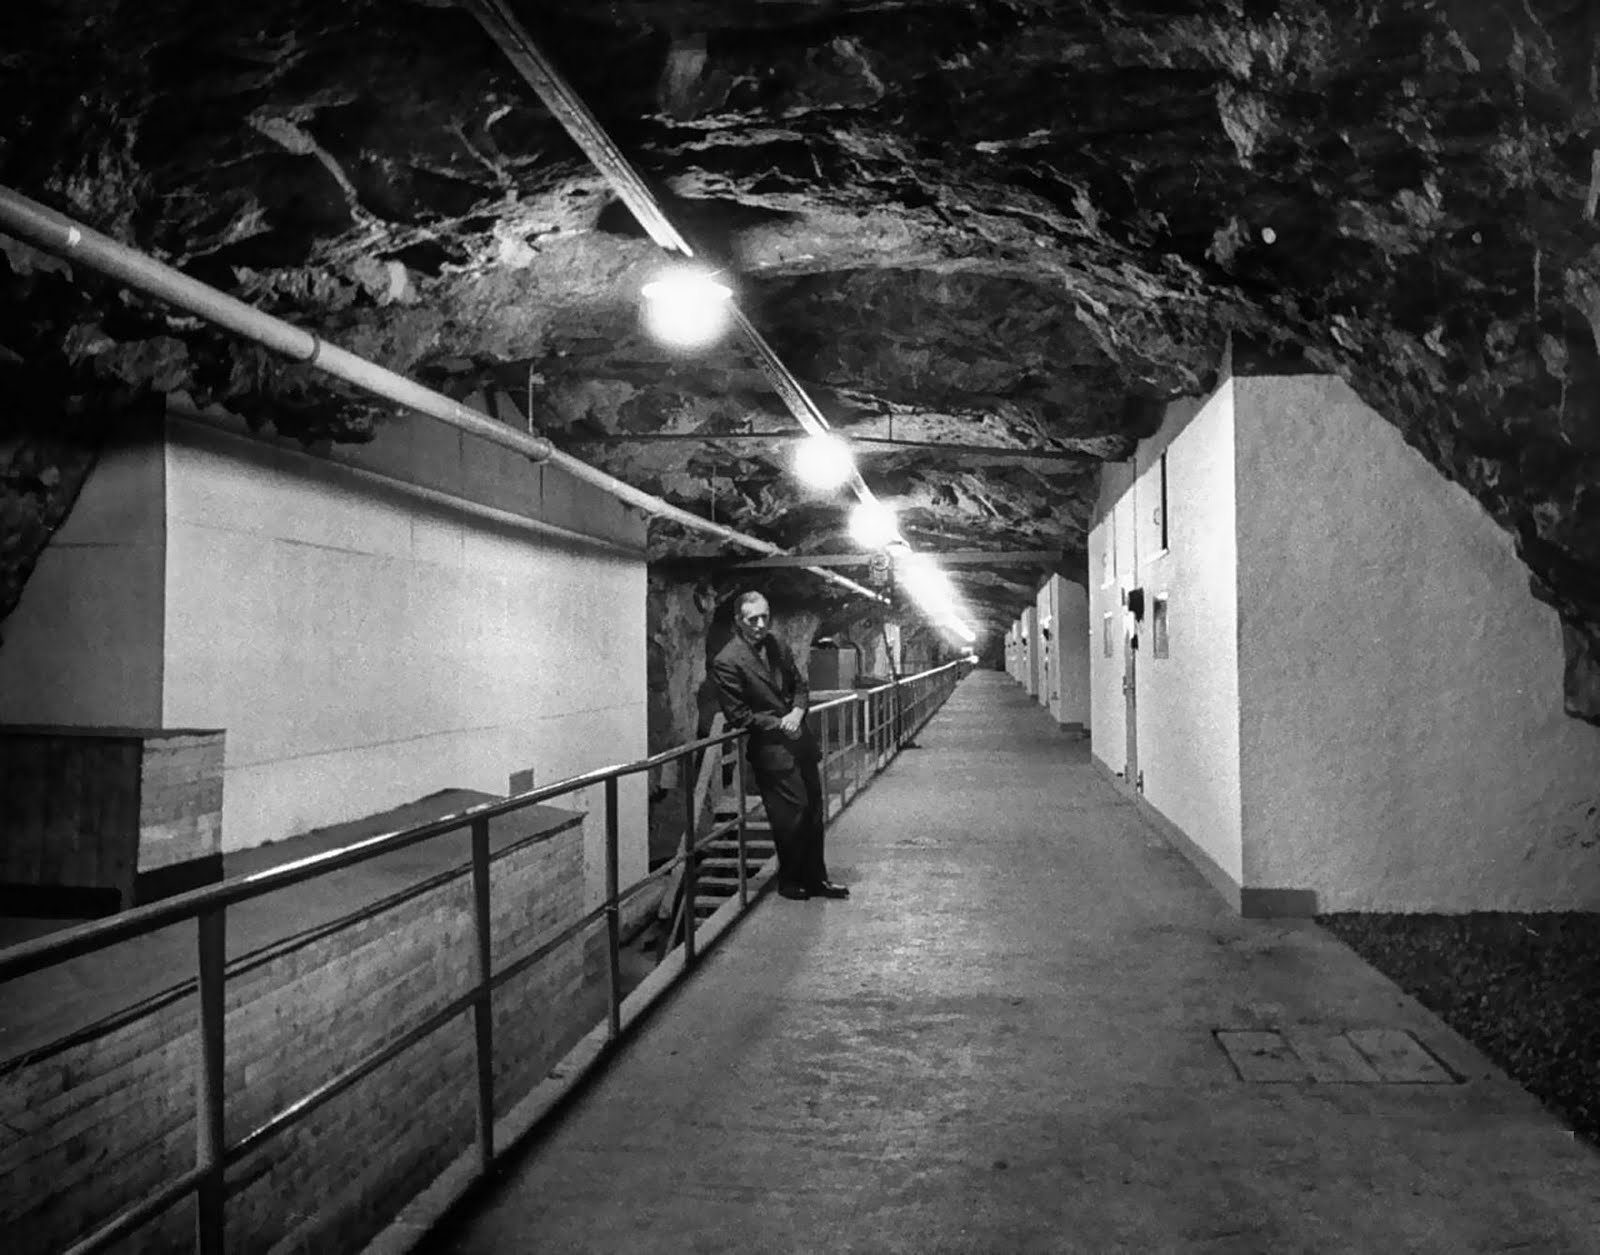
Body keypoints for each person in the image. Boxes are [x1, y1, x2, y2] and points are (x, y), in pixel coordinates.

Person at [709, 591, 849, 901]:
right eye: (753, 620)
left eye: (764, 617)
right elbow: (739, 715)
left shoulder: (777, 644)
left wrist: (799, 711)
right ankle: (790, 881)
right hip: (771, 752)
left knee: (813, 811)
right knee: (791, 816)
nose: (760, 625)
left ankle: (817, 880)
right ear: (738, 622)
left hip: (801, 744)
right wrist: (782, 723)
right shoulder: (727, 662)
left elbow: (799, 685)